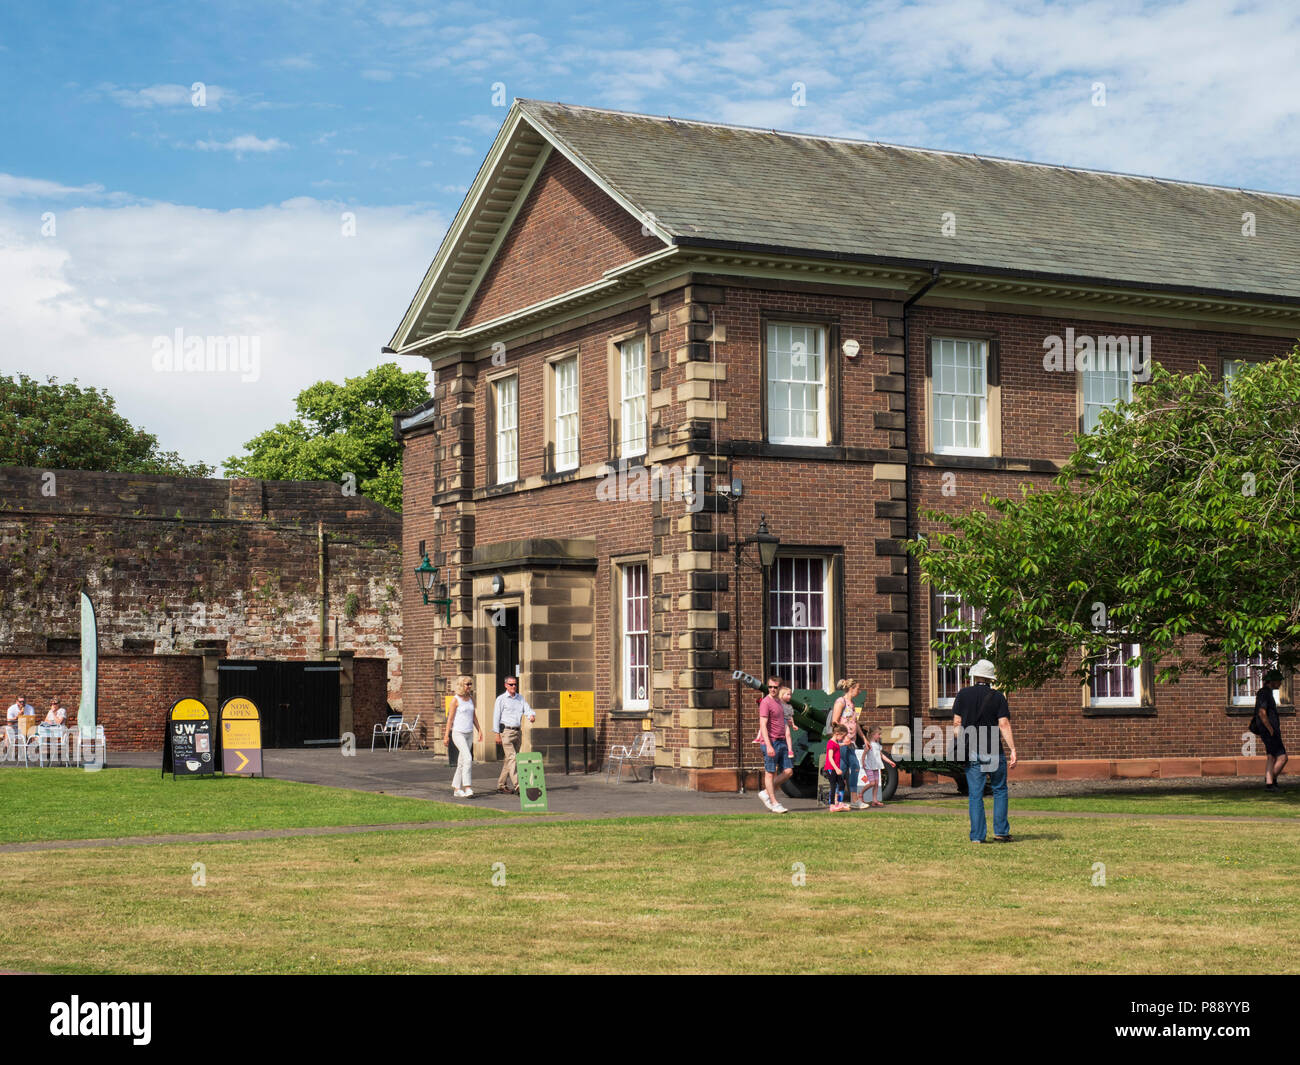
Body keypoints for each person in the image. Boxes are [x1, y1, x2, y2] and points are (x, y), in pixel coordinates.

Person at [952, 660, 1017, 843]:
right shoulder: (998, 697)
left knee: (975, 794)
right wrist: (1012, 749)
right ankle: (1001, 832)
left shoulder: (963, 694)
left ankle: (977, 837)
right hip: (994, 750)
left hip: (972, 749)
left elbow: (957, 725)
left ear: (975, 675)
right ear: (990, 678)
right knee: (999, 790)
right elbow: (1003, 724)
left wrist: (962, 741)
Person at [492, 676, 535, 795]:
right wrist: (497, 734)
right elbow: (496, 717)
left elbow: (527, 709)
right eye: (511, 684)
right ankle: (518, 785)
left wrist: (531, 715)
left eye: (515, 684)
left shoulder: (520, 698)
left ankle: (501, 785)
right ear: (506, 685)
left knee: (509, 760)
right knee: (513, 758)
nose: (513, 686)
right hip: (506, 732)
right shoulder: (501, 699)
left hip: (517, 732)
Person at [443, 675, 482, 798]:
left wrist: (479, 730)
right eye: (467, 684)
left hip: (469, 733)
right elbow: (450, 719)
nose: (469, 687)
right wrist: (446, 736)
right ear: (461, 685)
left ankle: (456, 789)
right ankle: (468, 787)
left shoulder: (471, 698)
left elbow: (473, 716)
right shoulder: (455, 700)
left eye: (470, 684)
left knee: (461, 762)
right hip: (458, 733)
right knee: (468, 758)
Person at [757, 682, 794, 813]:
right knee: (770, 773)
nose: (772, 689)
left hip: (782, 741)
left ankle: (766, 792)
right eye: (770, 687)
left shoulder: (779, 703)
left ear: (779, 689)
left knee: (788, 771)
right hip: (771, 742)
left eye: (775, 687)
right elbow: (763, 725)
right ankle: (774, 802)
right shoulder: (766, 702)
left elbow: (783, 720)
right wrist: (768, 745)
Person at [830, 678, 863, 808]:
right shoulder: (841, 701)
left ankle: (838, 800)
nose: (859, 691)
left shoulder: (852, 704)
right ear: (851, 688)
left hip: (851, 742)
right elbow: (834, 722)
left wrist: (863, 738)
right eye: (858, 689)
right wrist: (843, 738)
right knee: (853, 766)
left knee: (844, 769)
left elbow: (855, 723)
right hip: (843, 742)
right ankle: (852, 800)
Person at [1255, 669, 1288, 791]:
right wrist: (1270, 729)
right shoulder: (1264, 694)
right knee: (1282, 757)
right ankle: (1270, 779)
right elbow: (1262, 712)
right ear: (1272, 681)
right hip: (1269, 731)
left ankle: (1270, 784)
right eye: (1279, 681)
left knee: (1271, 757)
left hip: (1269, 730)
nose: (1280, 683)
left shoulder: (1266, 692)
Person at [859, 724, 896, 808]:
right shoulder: (869, 744)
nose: (880, 736)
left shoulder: (878, 745)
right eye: (878, 734)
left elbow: (881, 756)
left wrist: (890, 762)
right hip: (869, 766)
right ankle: (861, 794)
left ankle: (874, 800)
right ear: (873, 734)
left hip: (876, 766)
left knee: (876, 784)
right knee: (872, 783)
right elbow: (864, 754)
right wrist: (863, 762)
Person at [824, 723, 850, 811]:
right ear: (837, 733)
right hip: (831, 769)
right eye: (842, 736)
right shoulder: (830, 743)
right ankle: (832, 805)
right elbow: (830, 758)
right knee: (833, 786)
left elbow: (837, 747)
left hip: (835, 769)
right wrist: (837, 769)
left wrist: (843, 744)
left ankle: (840, 802)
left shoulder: (836, 743)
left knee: (842, 784)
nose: (843, 738)